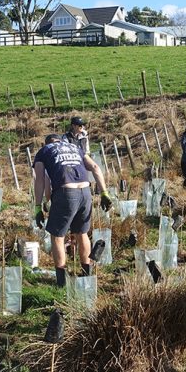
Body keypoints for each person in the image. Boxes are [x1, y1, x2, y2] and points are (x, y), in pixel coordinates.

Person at [33, 120, 110, 285]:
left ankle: (61, 282)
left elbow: (40, 179)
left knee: (57, 236)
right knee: (81, 234)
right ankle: (86, 275)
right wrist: (104, 193)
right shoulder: (75, 148)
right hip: (85, 192)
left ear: (47, 143)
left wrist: (38, 206)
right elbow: (95, 167)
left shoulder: (44, 151)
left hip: (66, 192)